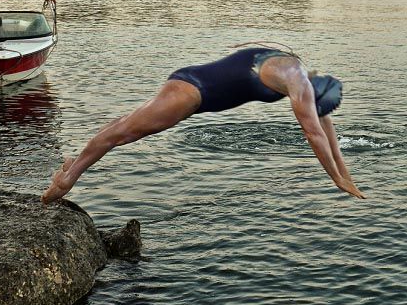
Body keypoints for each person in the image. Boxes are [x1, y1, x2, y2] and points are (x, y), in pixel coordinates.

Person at [42, 45, 366, 204]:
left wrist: (345, 175)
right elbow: (312, 133)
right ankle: (67, 178)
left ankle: (73, 165)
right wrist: (335, 179)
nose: (316, 111)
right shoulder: (299, 83)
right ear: (317, 90)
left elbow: (325, 128)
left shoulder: (302, 72)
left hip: (193, 85)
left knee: (125, 128)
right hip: (191, 93)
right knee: (122, 133)